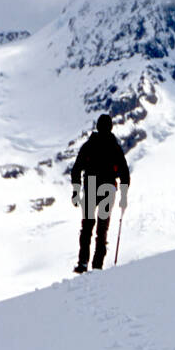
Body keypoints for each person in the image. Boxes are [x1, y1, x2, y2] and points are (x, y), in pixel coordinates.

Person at [70, 113, 130, 272]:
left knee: (87, 226)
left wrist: (76, 191)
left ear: (97, 127)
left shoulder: (89, 145)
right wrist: (123, 197)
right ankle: (97, 265)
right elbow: (124, 173)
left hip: (90, 186)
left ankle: (83, 262)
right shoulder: (115, 147)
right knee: (102, 228)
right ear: (111, 127)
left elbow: (76, 169)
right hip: (108, 189)